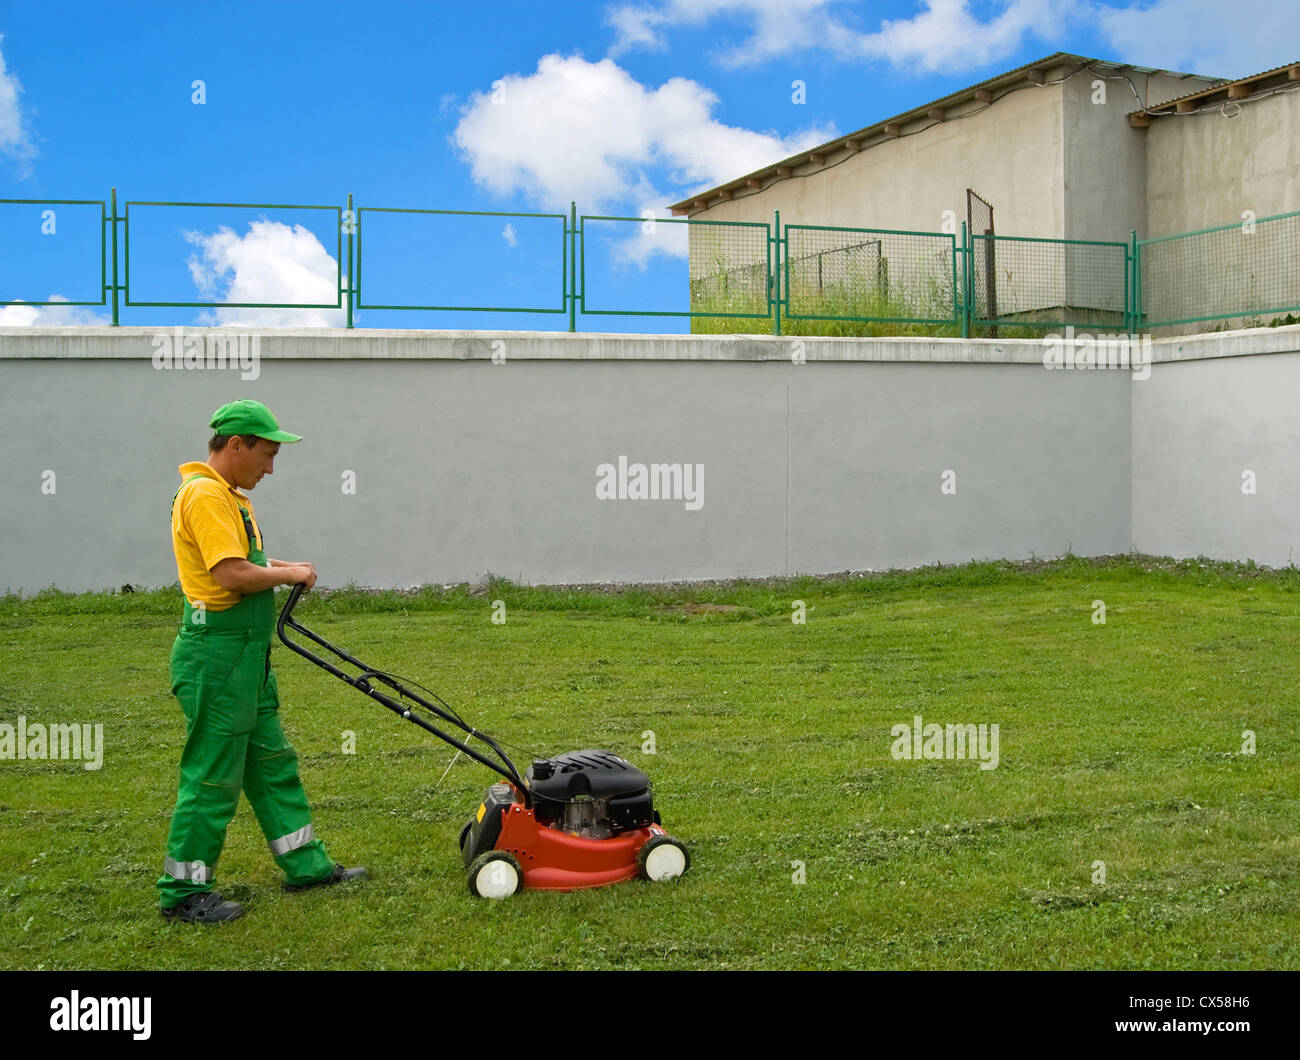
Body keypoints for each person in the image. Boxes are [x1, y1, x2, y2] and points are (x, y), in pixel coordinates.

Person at [157, 398, 365, 924]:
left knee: (272, 763)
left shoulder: (228, 496)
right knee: (211, 776)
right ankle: (182, 893)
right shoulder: (205, 495)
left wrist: (281, 565)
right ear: (235, 445)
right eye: (266, 455)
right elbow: (229, 575)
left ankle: (306, 866)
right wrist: (287, 576)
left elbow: (245, 560)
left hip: (247, 655)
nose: (270, 468)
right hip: (217, 656)